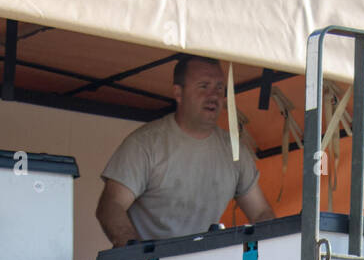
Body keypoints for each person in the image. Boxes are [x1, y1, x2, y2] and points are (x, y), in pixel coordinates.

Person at [96, 54, 276, 245]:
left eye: (219, 88)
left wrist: (271, 250)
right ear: (178, 93)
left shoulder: (234, 151)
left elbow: (261, 212)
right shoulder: (146, 144)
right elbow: (110, 207)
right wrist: (135, 254)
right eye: (203, 86)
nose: (214, 95)